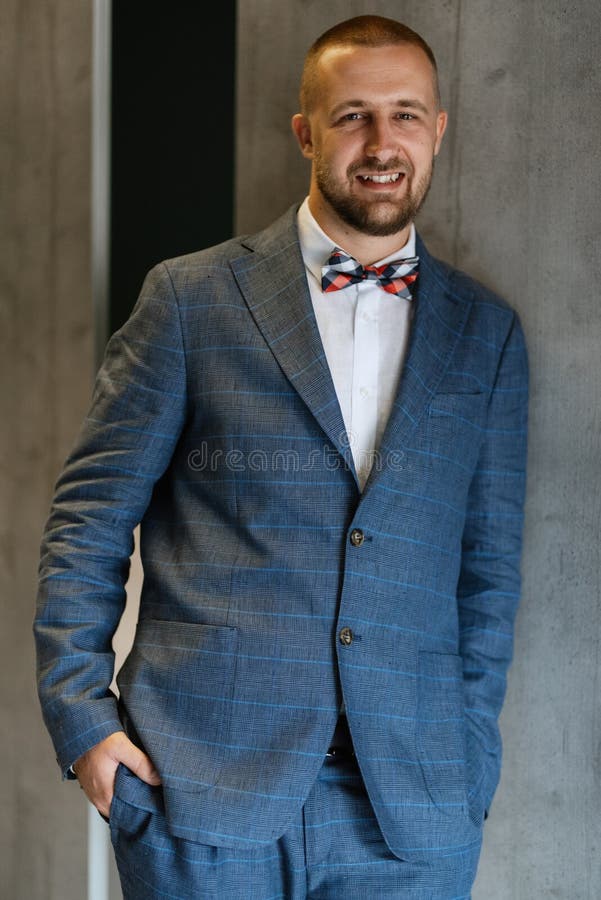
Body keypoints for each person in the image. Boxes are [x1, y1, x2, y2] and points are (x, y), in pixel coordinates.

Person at [35, 15, 528, 899]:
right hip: (197, 790)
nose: (382, 144)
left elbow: (486, 571)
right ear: (305, 132)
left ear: (439, 128)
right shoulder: (189, 300)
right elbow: (89, 519)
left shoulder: (484, 334)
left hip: (408, 813)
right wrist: (82, 723)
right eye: (352, 116)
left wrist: (470, 758)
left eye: (406, 115)